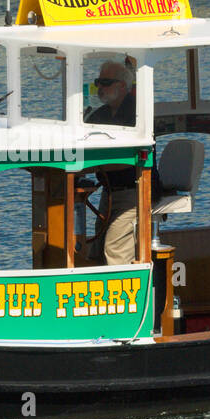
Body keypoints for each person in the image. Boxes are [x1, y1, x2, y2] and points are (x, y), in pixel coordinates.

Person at [82, 60, 139, 265]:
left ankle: (124, 296)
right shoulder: (101, 114)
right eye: (98, 82)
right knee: (96, 252)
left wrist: (92, 166)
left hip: (134, 194)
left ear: (122, 86)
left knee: (115, 250)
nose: (100, 88)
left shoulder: (136, 113)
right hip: (109, 193)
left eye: (105, 82)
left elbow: (127, 160)